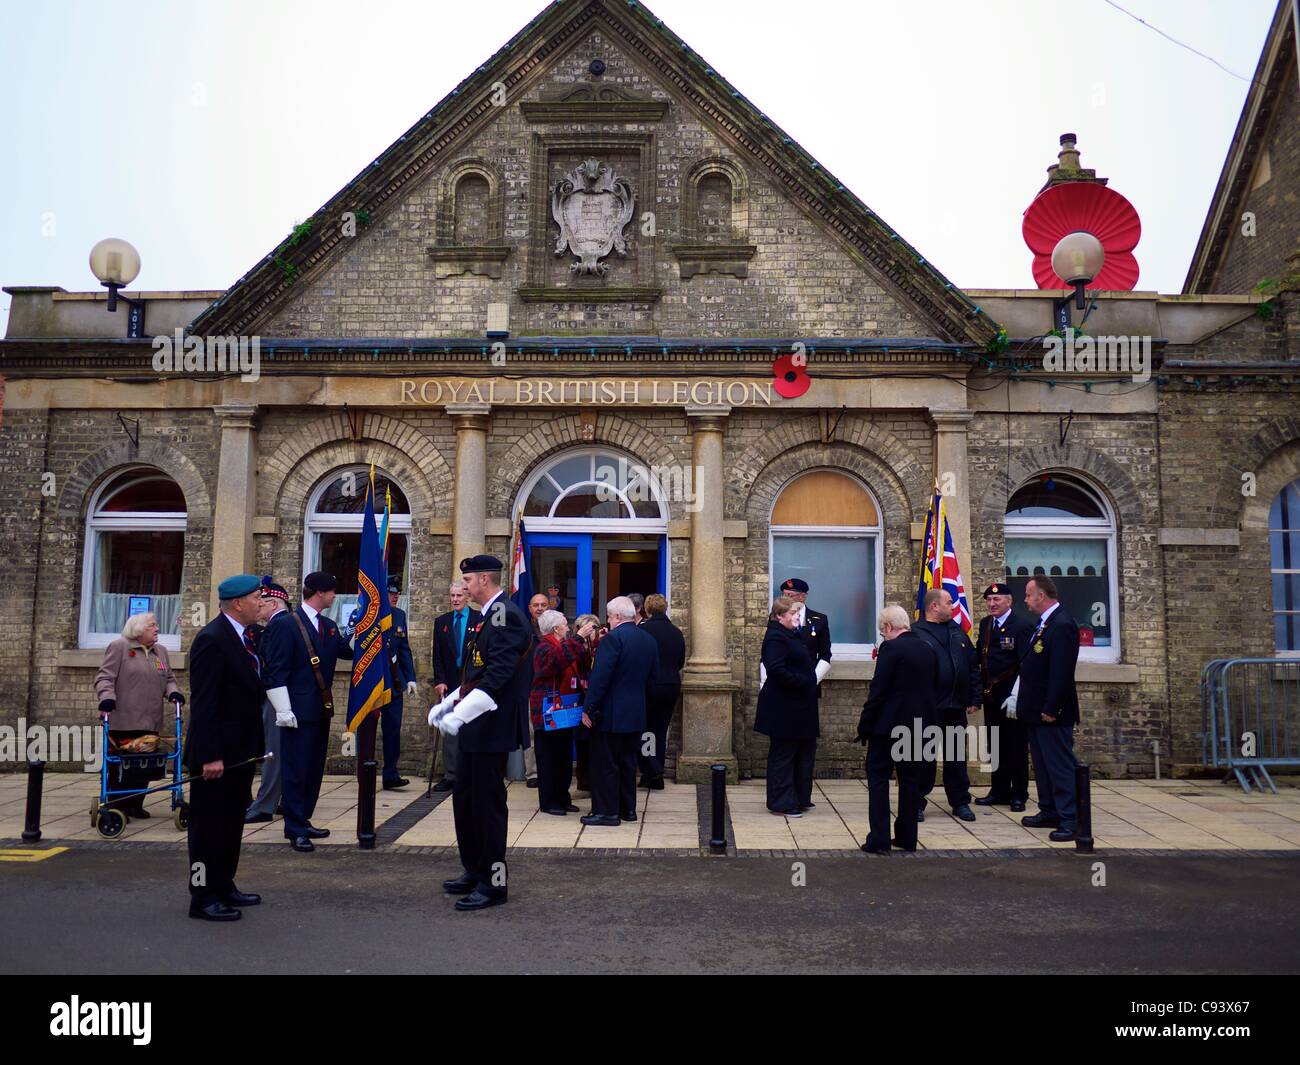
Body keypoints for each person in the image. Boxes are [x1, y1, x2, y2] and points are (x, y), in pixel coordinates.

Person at [429, 555, 532, 911]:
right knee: (466, 801)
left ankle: (494, 883)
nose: (464, 588)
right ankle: (474, 869)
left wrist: (459, 715)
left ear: (484, 579)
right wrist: (450, 703)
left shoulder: (506, 615)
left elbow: (498, 676)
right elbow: (474, 672)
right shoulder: (487, 616)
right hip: (476, 724)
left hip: (492, 726)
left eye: (468, 581)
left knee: (488, 807)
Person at [183, 574, 266, 921]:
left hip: (240, 753)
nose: (261, 603)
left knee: (231, 823)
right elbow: (204, 704)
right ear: (237, 603)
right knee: (206, 828)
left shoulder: (246, 637)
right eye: (256, 598)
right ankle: (202, 896)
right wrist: (210, 754)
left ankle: (224, 883)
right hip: (216, 756)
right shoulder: (212, 640)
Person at [262, 571, 354, 853]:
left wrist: (366, 630)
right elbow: (276, 670)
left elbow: (347, 651)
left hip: (320, 709)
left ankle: (304, 818)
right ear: (319, 593)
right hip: (296, 711)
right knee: (295, 769)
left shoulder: (326, 625)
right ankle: (294, 827)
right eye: (331, 591)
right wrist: (283, 708)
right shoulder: (286, 625)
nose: (334, 596)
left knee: (314, 769)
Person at [856, 605, 938, 853]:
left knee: (878, 779)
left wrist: (865, 724)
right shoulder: (927, 648)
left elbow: (878, 690)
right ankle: (907, 837)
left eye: (883, 632)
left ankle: (879, 839)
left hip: (888, 727)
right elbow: (937, 684)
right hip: (920, 726)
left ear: (889, 627)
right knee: (910, 782)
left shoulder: (891, 648)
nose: (884, 636)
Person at [94, 612, 183, 820]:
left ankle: (135, 804)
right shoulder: (119, 647)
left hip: (150, 720)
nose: (157, 629)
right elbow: (104, 677)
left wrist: (173, 692)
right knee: (121, 766)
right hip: (123, 720)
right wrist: (107, 697)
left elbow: (168, 677)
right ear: (138, 629)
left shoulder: (160, 651)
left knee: (145, 765)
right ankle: (116, 804)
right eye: (152, 625)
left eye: (156, 625)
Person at [579, 596, 659, 827]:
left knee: (605, 765)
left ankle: (607, 812)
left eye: (609, 616)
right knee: (627, 763)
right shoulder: (648, 639)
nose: (608, 620)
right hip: (635, 713)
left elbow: (600, 679)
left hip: (610, 713)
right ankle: (628, 809)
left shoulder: (613, 640)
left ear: (615, 617)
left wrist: (589, 708)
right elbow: (653, 680)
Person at [1017, 575, 1082, 842]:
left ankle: (1070, 819)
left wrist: (1051, 707)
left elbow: (1062, 672)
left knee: (1059, 766)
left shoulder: (1063, 624)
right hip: (1036, 711)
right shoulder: (1045, 624)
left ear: (1041, 596)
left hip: (1052, 712)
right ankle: (1049, 810)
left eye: (1028, 595)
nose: (1025, 600)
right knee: (1043, 766)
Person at [912, 587, 980, 823]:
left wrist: (974, 697)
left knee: (955, 757)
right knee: (922, 756)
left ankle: (960, 801)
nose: (953, 606)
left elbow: (972, 667)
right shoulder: (916, 632)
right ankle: (916, 802)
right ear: (934, 606)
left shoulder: (957, 632)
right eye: (949, 602)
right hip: (927, 706)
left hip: (954, 706)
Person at [755, 596, 819, 818]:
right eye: (792, 613)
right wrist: (803, 681)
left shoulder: (791, 634)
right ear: (779, 615)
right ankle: (781, 802)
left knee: (802, 752)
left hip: (799, 706)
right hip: (784, 707)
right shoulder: (775, 637)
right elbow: (775, 669)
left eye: (797, 613)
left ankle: (800, 797)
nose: (796, 617)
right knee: (784, 755)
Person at [973, 582, 1035, 813]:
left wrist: (1018, 694)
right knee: (995, 744)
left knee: (1016, 746)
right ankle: (999, 790)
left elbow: (1026, 663)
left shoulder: (1021, 626)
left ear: (1009, 601)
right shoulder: (986, 624)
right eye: (989, 600)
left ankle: (1019, 794)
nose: (992, 604)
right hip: (991, 695)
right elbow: (981, 655)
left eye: (996, 600)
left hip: (1012, 695)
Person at [773, 577, 832, 810]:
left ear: (802, 596)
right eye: (785, 595)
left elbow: (825, 655)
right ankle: (785, 792)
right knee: (786, 745)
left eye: (792, 596)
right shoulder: (778, 620)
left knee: (806, 745)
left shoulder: (818, 620)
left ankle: (803, 794)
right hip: (785, 689)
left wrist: (810, 681)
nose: (787, 599)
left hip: (807, 689)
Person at [530, 610, 594, 815]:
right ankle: (549, 801)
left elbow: (581, 662)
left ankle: (562, 797)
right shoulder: (543, 647)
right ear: (556, 629)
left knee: (564, 758)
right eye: (566, 624)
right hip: (548, 712)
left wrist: (593, 642)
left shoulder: (564, 645)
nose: (568, 628)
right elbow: (555, 663)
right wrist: (577, 638)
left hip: (565, 710)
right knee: (549, 758)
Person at [245, 578, 290, 823]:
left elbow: (275, 667)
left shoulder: (278, 626)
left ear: (273, 603)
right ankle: (280, 799)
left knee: (273, 752)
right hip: (276, 696)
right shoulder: (279, 625)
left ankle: (264, 805)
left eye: (261, 603)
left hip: (276, 696)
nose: (257, 607)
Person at [431, 581, 479, 792]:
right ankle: (450, 775)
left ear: (467, 596)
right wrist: (439, 680)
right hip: (450, 684)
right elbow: (438, 656)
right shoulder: (442, 622)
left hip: (472, 683)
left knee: (472, 727)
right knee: (450, 730)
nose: (456, 599)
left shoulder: (479, 619)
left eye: (459, 595)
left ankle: (470, 773)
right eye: (452, 595)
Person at [638, 593, 685, 789]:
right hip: (672, 685)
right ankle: (655, 770)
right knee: (660, 729)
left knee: (646, 730)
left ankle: (652, 772)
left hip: (650, 686)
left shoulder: (644, 630)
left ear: (647, 610)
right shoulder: (676, 632)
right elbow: (680, 661)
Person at [381, 578, 418, 790]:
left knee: (393, 728)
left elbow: (404, 648)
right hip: (373, 681)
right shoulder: (367, 614)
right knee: (366, 729)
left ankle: (390, 774)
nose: (395, 596)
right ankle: (364, 772)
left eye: (397, 593)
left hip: (394, 681)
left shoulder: (399, 615)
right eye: (391, 592)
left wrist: (410, 677)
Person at [571, 612, 604, 795]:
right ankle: (583, 780)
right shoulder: (575, 646)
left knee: (595, 740)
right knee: (582, 740)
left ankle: (594, 780)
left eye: (594, 629)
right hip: (579, 695)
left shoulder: (600, 646)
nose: (591, 633)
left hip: (595, 697)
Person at [522, 592, 551, 788]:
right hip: (530, 689)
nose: (539, 608)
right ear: (530, 608)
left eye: (543, 605)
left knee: (550, 733)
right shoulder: (523, 631)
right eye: (535, 605)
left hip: (551, 690)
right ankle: (532, 773)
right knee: (531, 732)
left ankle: (549, 770)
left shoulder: (555, 629)